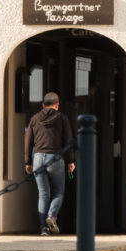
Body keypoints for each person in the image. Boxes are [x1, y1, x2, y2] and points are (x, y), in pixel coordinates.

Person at [24, 92, 75, 235]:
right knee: (58, 191)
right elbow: (69, 140)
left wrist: (28, 161)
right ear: (57, 105)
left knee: (43, 194)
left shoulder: (34, 119)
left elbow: (28, 141)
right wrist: (71, 160)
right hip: (56, 158)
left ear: (43, 105)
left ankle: (43, 229)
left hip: (38, 158)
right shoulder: (62, 117)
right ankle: (51, 216)